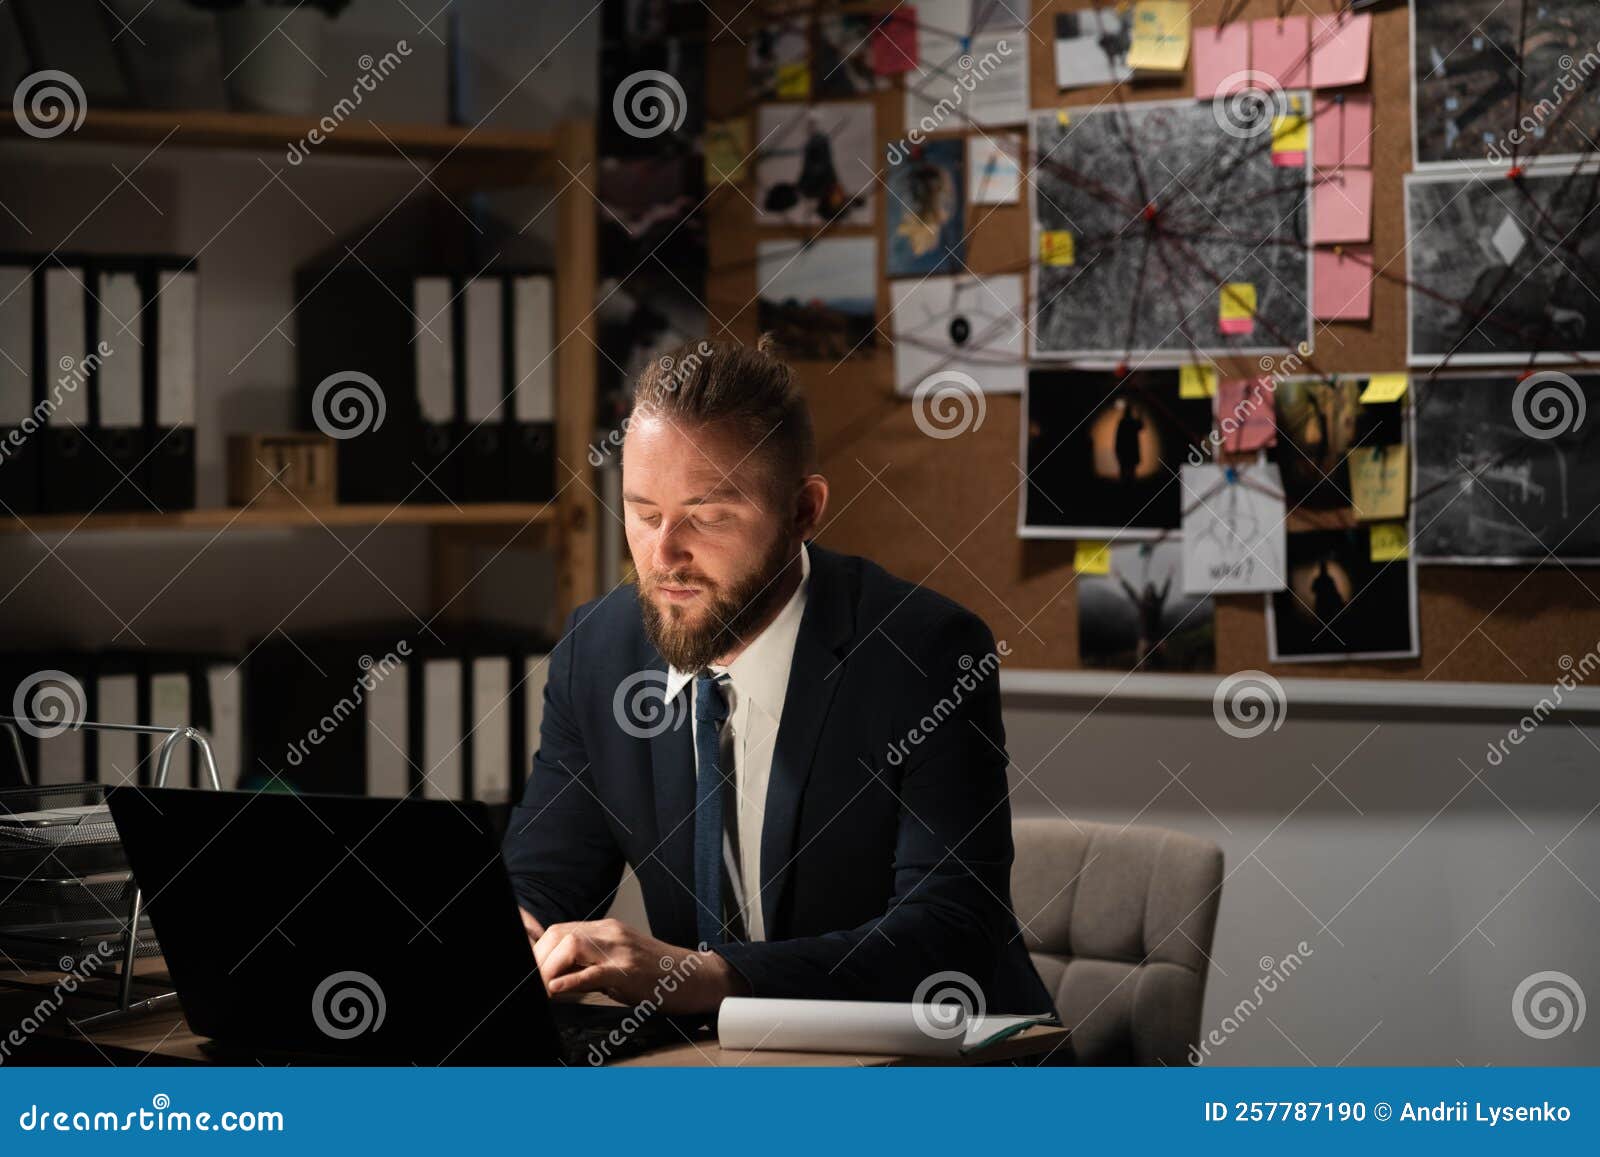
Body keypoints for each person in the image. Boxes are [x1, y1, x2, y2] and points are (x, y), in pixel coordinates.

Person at [503, 336, 1054, 1019]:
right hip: (717, 1071)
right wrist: (515, 936)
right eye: (643, 514)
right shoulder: (599, 652)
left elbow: (946, 934)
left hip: (939, 1066)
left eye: (706, 516)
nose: (663, 553)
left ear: (803, 512)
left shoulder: (927, 653)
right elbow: (543, 880)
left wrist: (703, 975)